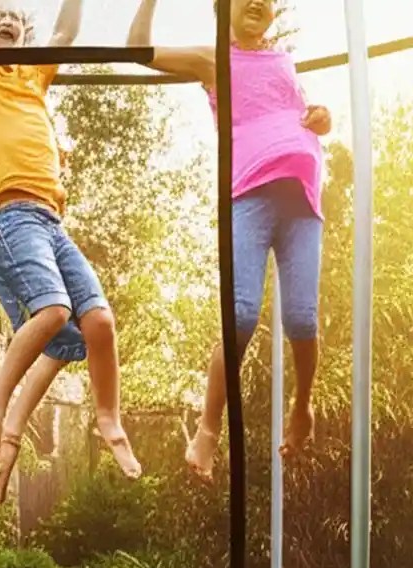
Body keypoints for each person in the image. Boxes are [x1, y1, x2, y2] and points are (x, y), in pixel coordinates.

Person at [128, 0, 332, 479]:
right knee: (240, 312)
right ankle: (207, 429)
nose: (257, 1)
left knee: (302, 318)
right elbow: (139, 50)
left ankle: (303, 407)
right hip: (249, 194)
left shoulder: (283, 60)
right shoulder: (214, 56)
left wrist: (319, 116)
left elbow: (294, 114)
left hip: (303, 197)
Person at [0, 0, 141, 503]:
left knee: (98, 324)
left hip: (52, 222)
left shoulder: (33, 74)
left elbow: (66, 30)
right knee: (54, 311)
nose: (9, 21)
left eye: (15, 17)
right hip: (13, 217)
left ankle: (109, 420)